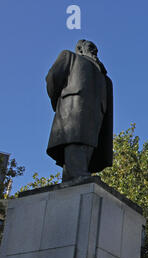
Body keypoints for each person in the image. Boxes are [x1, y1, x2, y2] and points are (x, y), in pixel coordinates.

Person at [45, 40, 113, 182]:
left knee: (88, 144)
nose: (94, 50)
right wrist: (58, 101)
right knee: (75, 139)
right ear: (80, 50)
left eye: (96, 48)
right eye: (90, 47)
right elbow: (52, 77)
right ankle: (77, 174)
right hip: (73, 110)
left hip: (95, 114)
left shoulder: (103, 76)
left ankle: (76, 174)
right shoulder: (70, 56)